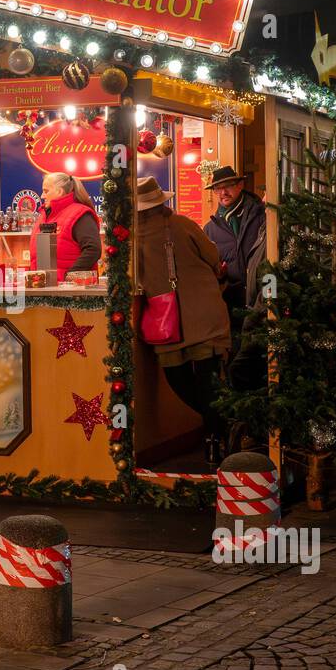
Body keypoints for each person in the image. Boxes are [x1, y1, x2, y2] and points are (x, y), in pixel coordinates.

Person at [136, 176, 233, 464]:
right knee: (208, 380)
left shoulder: (130, 238)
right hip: (204, 314)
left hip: (166, 321)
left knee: (179, 381)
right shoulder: (183, 224)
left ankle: (217, 431)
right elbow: (212, 256)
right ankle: (220, 431)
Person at [203, 166, 266, 343]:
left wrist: (271, 296)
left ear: (240, 185)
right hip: (232, 308)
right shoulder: (209, 230)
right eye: (218, 188)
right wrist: (220, 276)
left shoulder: (262, 215)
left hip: (263, 300)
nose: (223, 192)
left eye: (228, 186)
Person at [28, 172, 101, 280]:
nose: (42, 196)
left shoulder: (81, 214)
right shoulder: (43, 216)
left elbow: (93, 250)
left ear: (60, 191)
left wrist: (69, 278)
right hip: (44, 286)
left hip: (73, 289)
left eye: (46, 191)